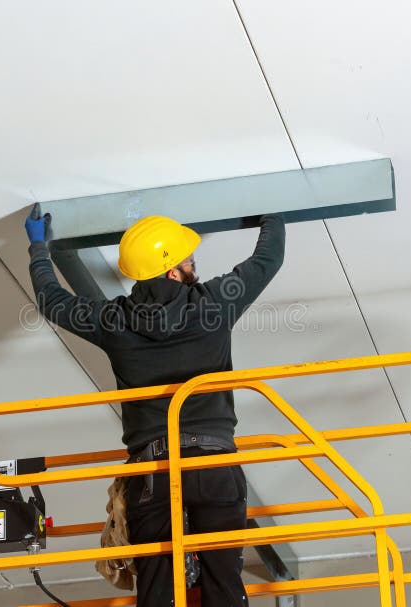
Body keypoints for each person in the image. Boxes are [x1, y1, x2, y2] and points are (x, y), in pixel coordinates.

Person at [26, 210, 285, 606]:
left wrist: (38, 248)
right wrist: (273, 214)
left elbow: (53, 301)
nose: (193, 265)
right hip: (213, 466)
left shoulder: (114, 320)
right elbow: (268, 260)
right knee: (224, 582)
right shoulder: (213, 303)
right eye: (188, 261)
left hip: (153, 474)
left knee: (158, 590)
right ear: (172, 272)